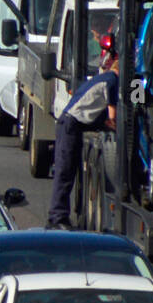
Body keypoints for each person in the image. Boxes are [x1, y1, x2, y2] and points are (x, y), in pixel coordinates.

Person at [46, 33, 119, 229]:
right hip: (70, 124)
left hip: (73, 124)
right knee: (65, 171)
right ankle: (57, 217)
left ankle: (59, 215)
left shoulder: (105, 77)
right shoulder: (111, 81)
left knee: (68, 170)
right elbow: (113, 117)